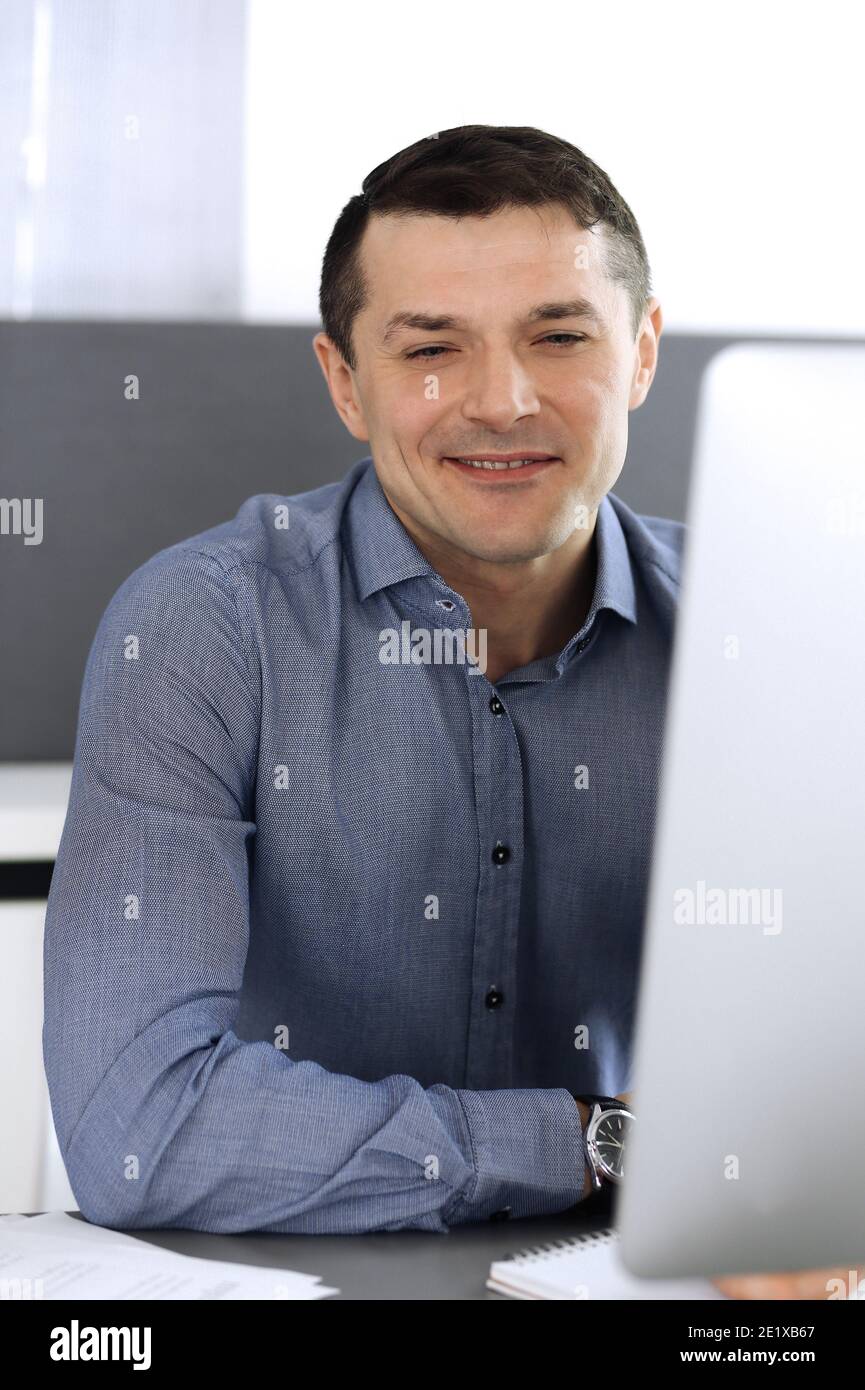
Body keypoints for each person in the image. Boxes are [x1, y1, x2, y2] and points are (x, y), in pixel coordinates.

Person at [43, 125, 856, 1298]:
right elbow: (143, 1128)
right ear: (344, 383)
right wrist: (598, 1139)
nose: (502, 400)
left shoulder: (774, 631)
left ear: (641, 353)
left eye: (559, 335)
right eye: (432, 348)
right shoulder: (198, 626)